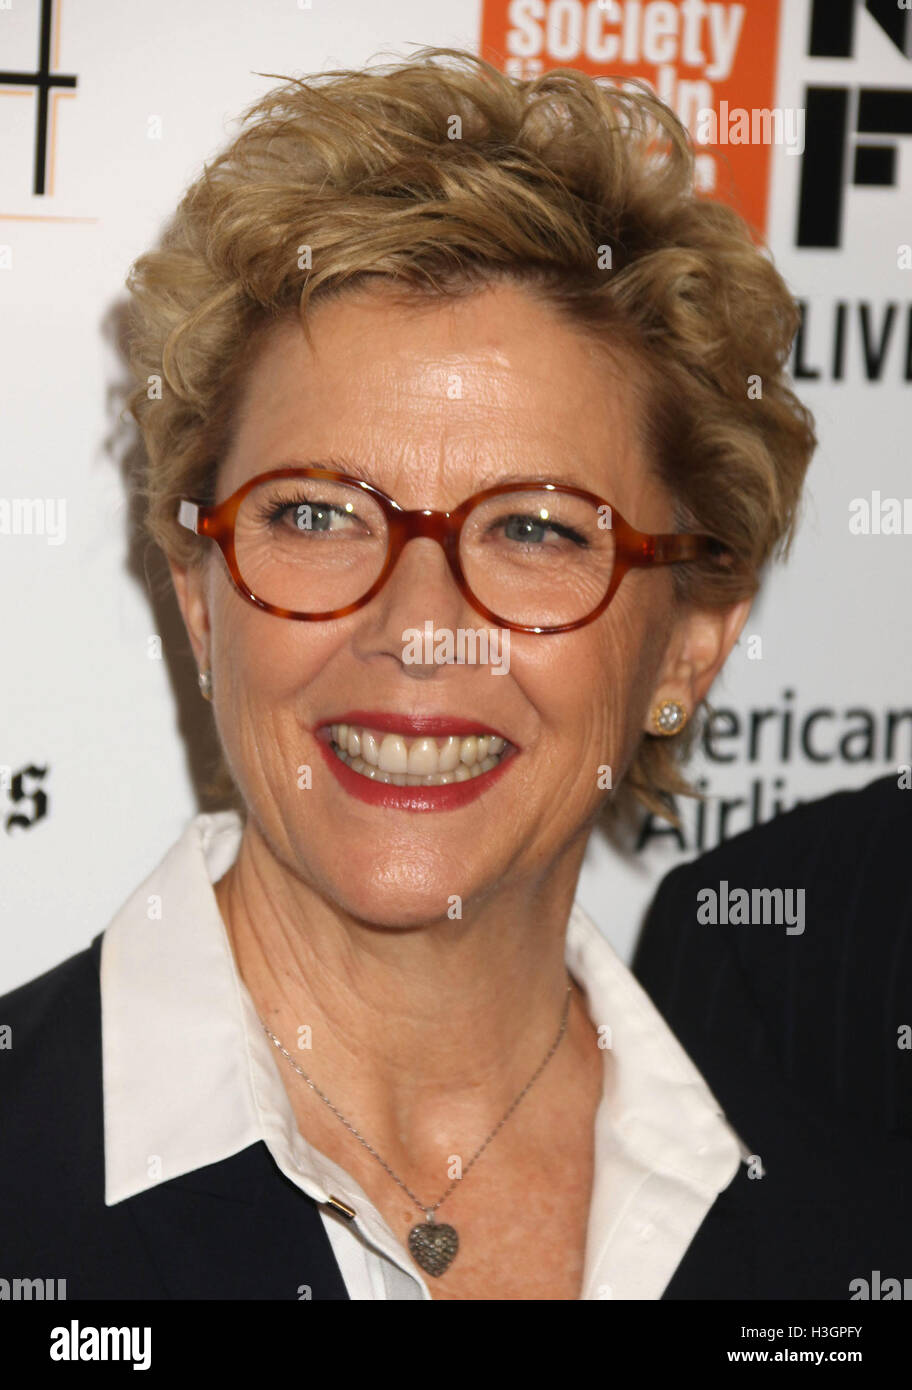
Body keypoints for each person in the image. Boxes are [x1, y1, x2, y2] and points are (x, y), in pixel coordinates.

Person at [0, 46, 818, 1300]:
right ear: (197, 591)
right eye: (319, 515)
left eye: (538, 529)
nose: (418, 626)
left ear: (690, 639)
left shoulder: (846, 1236)